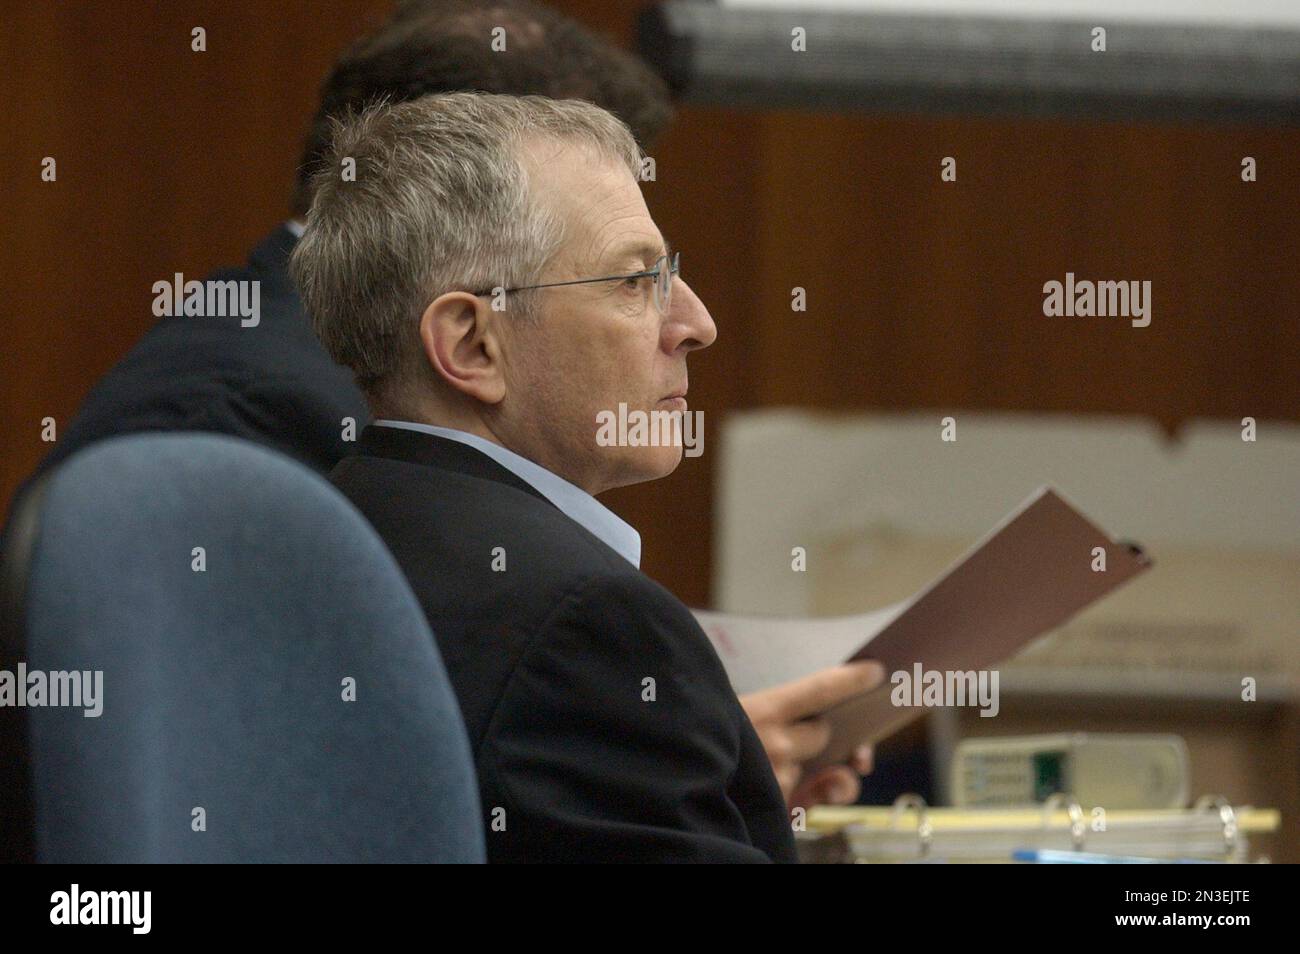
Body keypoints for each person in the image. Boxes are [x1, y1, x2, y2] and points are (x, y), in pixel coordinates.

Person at [15, 0, 885, 813]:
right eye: (631, 276)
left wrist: (675, 760)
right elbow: (216, 792)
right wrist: (668, 765)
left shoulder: (316, 375)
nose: (698, 325)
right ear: (436, 167)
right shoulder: (244, 406)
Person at [294, 91, 829, 860]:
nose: (696, 325)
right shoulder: (589, 625)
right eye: (633, 282)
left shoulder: (338, 530)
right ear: (473, 345)